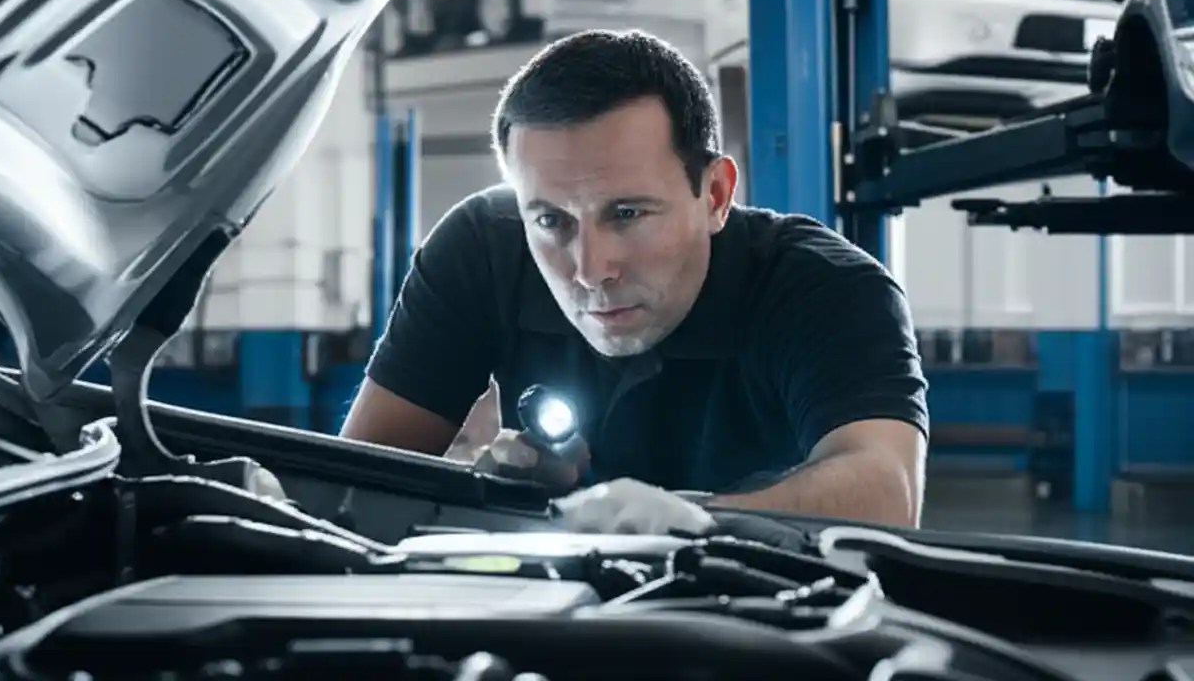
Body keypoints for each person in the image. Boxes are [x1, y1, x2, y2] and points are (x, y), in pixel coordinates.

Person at [340, 29, 929, 534]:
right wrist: (497, 493)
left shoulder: (824, 287)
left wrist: (692, 522)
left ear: (717, 195)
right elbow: (351, 485)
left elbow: (885, 491)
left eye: (627, 214)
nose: (591, 269)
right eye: (551, 220)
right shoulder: (482, 249)